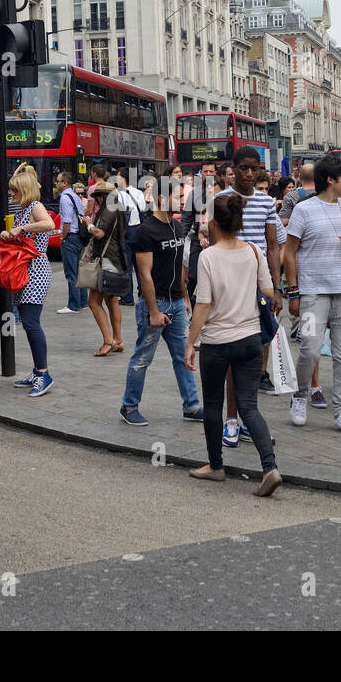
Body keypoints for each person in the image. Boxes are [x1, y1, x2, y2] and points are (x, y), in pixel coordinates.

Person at [184, 193, 282, 497]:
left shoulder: (208, 256)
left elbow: (202, 304)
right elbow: (267, 290)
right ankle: (270, 468)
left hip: (217, 342)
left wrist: (190, 342)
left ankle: (215, 466)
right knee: (249, 406)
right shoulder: (253, 251)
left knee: (213, 405)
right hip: (251, 339)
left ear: (213, 222)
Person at [284, 154, 341, 436]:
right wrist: (293, 291)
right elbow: (290, 251)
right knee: (309, 348)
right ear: (330, 180)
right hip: (312, 294)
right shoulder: (304, 210)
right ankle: (300, 396)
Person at [119, 176, 203, 425]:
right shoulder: (146, 231)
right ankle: (129, 406)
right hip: (153, 305)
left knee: (183, 356)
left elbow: (178, 269)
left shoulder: (177, 227)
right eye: (178, 197)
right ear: (161, 198)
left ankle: (192, 405)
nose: (182, 201)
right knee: (143, 357)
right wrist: (154, 311)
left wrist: (185, 298)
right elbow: (144, 275)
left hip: (176, 304)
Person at [216, 147, 284, 444]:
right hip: (230, 285)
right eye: (243, 168)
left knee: (254, 353)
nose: (248, 174)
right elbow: (215, 244)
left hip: (259, 286)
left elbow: (273, 246)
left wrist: (277, 287)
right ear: (233, 168)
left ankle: (246, 418)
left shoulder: (267, 202)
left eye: (253, 169)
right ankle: (231, 419)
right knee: (233, 355)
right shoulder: (219, 201)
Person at [2, 164, 57, 397]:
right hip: (26, 270)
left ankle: (44, 373)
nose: (11, 195)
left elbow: (50, 225)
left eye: (14, 191)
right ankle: (37, 370)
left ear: (24, 190)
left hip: (36, 271)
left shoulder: (35, 206)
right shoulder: (26, 208)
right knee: (28, 322)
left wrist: (21, 228)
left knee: (31, 322)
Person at [86, 179, 126, 357]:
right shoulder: (119, 208)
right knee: (112, 300)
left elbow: (99, 233)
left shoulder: (109, 209)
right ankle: (118, 340)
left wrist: (88, 224)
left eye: (98, 197)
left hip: (106, 258)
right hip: (116, 258)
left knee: (94, 302)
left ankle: (108, 341)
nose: (97, 201)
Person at [55, 171, 88, 314]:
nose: (56, 183)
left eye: (58, 181)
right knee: (79, 270)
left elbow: (67, 221)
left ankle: (73, 305)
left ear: (65, 183)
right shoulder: (75, 196)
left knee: (71, 272)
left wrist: (63, 237)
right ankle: (82, 302)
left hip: (70, 237)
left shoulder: (64, 198)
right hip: (79, 237)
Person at [114, 171, 147, 307]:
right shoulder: (138, 192)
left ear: (124, 178)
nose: (116, 178)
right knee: (140, 265)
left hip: (125, 231)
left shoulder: (118, 193)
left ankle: (127, 297)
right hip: (138, 230)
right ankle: (143, 294)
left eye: (118, 176)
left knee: (126, 265)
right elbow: (144, 209)